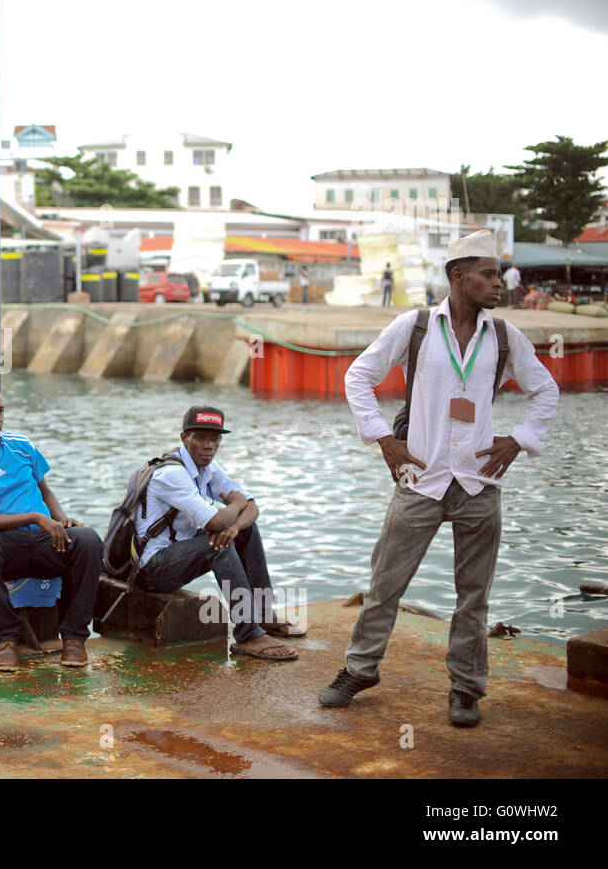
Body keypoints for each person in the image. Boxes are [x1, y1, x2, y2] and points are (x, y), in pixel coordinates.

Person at [322, 229, 558, 726]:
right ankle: (360, 669)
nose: (499, 284)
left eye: (498, 274)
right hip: (421, 477)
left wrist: (518, 440)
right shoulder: (416, 327)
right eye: (488, 274)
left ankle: (466, 690)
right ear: (458, 275)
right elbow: (357, 376)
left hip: (478, 482)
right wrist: (384, 439)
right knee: (385, 585)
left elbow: (546, 391)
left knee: (473, 597)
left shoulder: (504, 336)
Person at [0, 382, 103, 672]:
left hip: (43, 541)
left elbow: (46, 492)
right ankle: (5, 640)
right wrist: (34, 517)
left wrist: (61, 519)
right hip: (3, 549)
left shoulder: (22, 446)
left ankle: (75, 639)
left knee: (88, 539)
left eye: (0, 411)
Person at [132, 406, 301, 660]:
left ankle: (263, 614)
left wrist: (235, 525)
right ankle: (248, 635)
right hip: (153, 568)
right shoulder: (171, 474)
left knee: (245, 529)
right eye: (200, 437)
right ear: (184, 438)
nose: (208, 445)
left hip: (179, 555)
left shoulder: (208, 468)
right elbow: (216, 522)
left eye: (215, 439)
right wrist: (235, 506)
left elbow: (252, 506)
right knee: (217, 544)